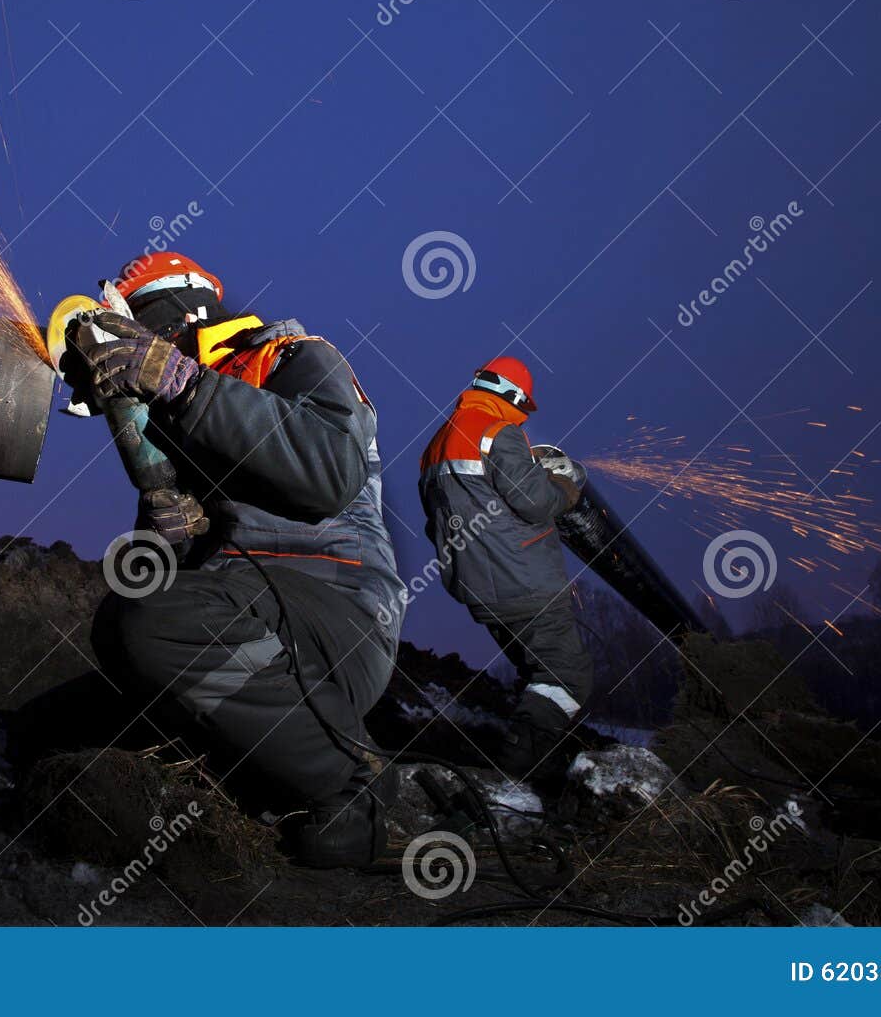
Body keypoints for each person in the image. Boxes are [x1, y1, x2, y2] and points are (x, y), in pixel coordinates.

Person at [63, 251, 403, 868]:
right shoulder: (179, 419)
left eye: (144, 335)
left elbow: (326, 474)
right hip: (242, 620)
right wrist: (170, 534)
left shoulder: (294, 359)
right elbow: (171, 583)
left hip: (332, 614)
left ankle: (351, 784)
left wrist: (185, 385)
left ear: (176, 318)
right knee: (65, 717)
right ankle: (252, 771)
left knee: (150, 623)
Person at [418, 356, 588, 780]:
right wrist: (564, 485)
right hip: (527, 587)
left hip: (482, 594)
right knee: (566, 678)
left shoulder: (435, 446)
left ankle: (539, 770)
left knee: (537, 677)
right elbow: (535, 503)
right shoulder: (497, 433)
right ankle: (512, 781)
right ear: (512, 396)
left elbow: (435, 525)